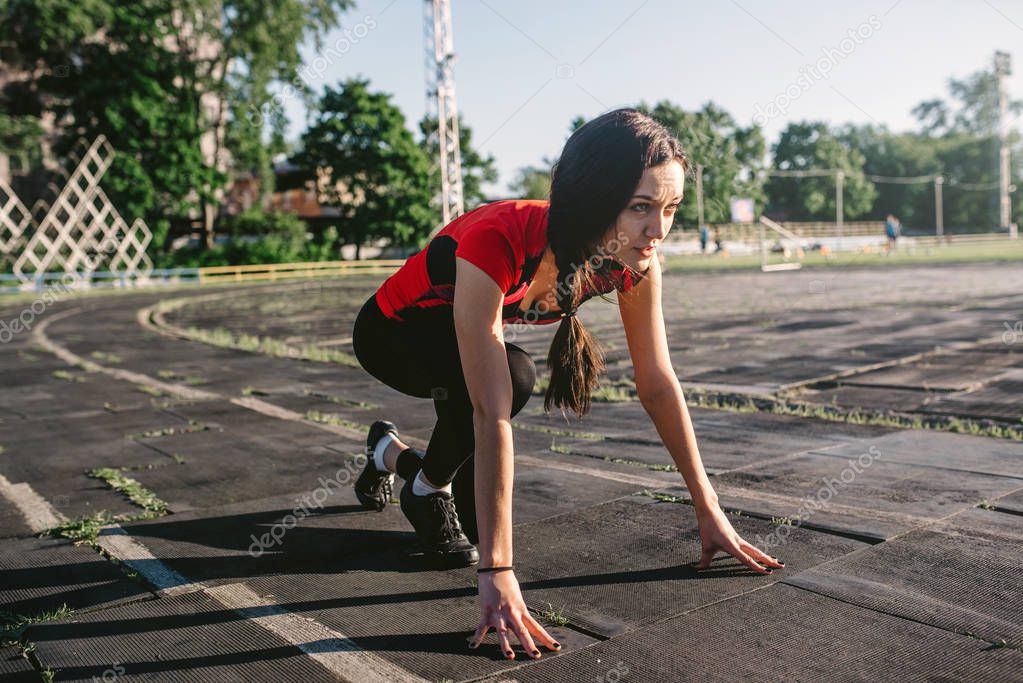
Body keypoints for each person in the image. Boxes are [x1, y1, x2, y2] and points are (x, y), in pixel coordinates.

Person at [350, 108, 783, 660]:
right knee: (510, 379)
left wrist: (708, 505)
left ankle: (389, 454)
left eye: (670, 208)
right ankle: (426, 488)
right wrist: (498, 572)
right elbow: (492, 415)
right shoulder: (499, 239)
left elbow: (655, 381)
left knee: (502, 392)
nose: (659, 230)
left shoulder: (631, 260)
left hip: (452, 343)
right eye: (641, 207)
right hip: (395, 338)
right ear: (589, 196)